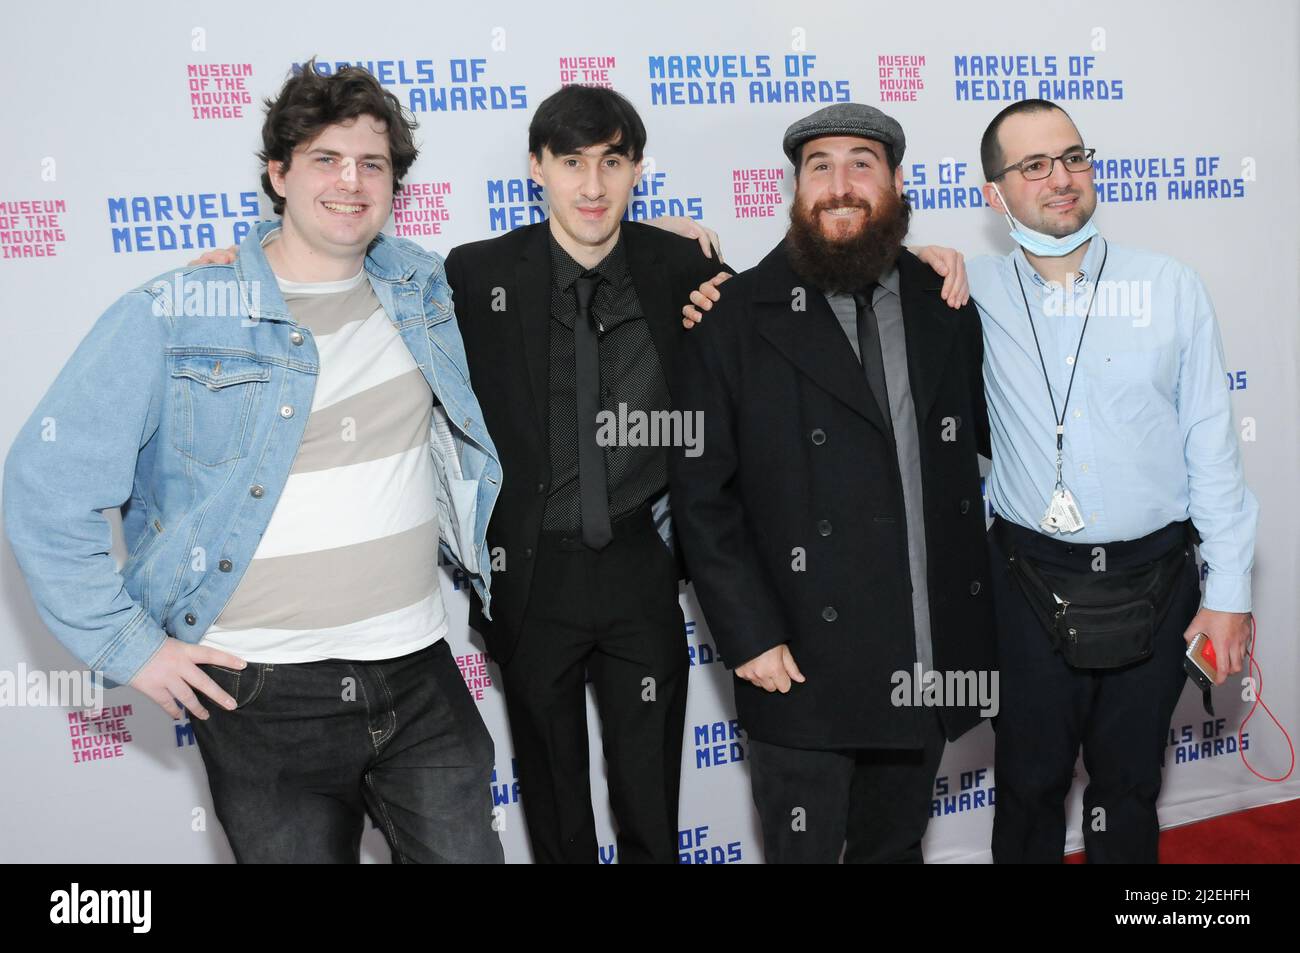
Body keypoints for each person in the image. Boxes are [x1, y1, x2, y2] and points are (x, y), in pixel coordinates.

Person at [4, 61, 504, 863]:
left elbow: (553, 270)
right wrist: (127, 646)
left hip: (419, 672)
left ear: (395, 184)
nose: (351, 181)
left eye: (372, 164)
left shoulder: (423, 287)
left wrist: (673, 257)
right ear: (278, 173)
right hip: (263, 692)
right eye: (325, 159)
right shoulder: (176, 310)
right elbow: (42, 485)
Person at [668, 103, 996, 863]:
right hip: (799, 664)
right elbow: (700, 498)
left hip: (919, 659)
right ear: (795, 188)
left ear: (896, 183)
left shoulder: (942, 305)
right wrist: (748, 635)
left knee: (895, 849)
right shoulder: (732, 315)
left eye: (861, 164)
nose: (839, 184)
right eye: (819, 166)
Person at [971, 99, 1256, 863]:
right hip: (1027, 584)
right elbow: (837, 267)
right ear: (995, 194)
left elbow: (1212, 449)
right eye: (1033, 165)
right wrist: (689, 260)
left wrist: (1229, 594)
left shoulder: (1170, 286)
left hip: (1158, 584)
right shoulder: (968, 293)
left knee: (1129, 788)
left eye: (1073, 157)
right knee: (1027, 786)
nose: (1060, 178)